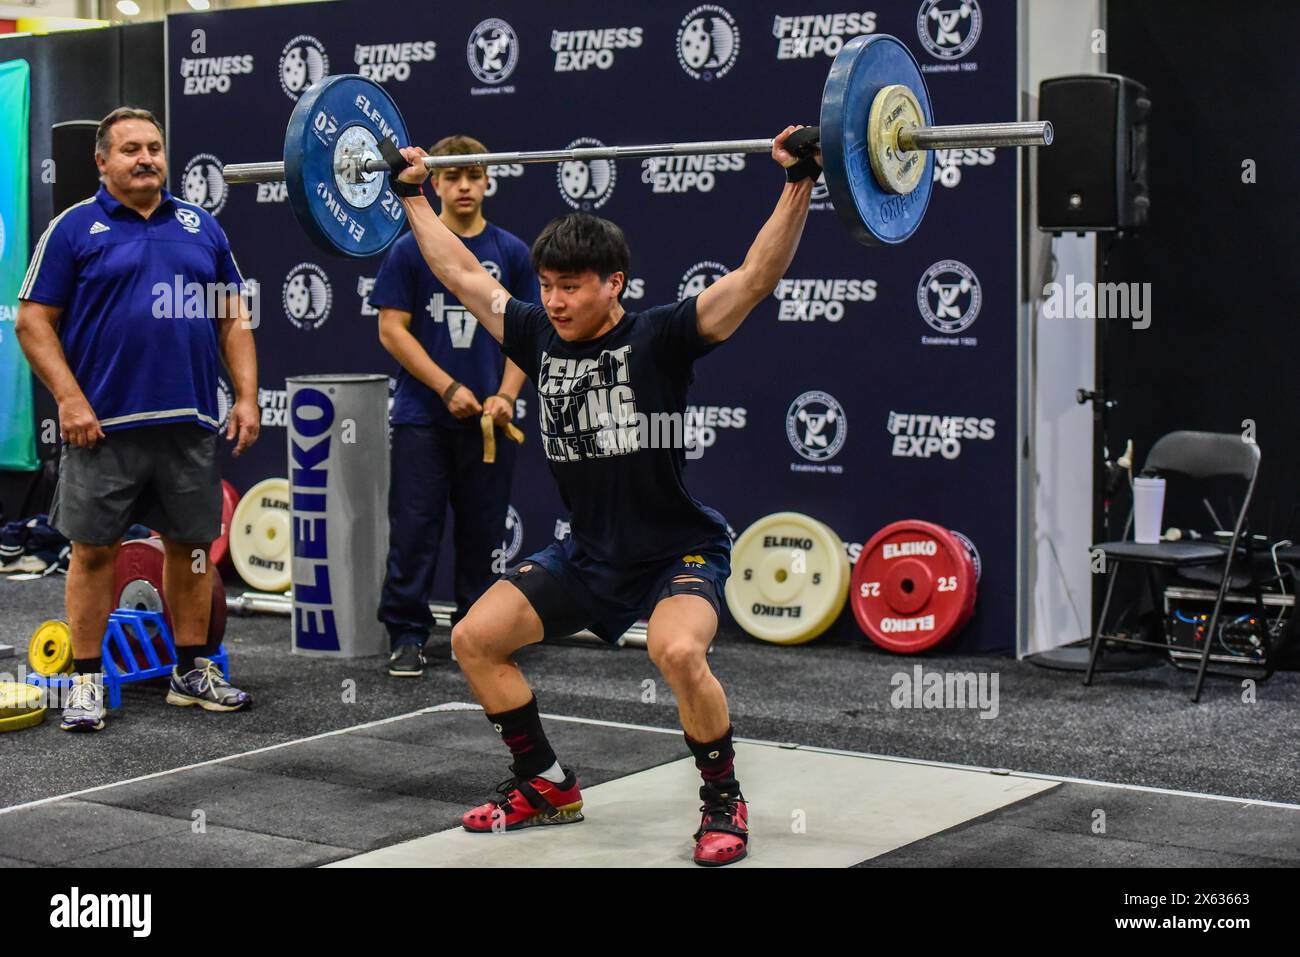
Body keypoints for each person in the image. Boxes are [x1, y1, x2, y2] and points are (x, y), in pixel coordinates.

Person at [380, 126, 820, 865]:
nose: (553, 301)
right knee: (472, 638)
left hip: (674, 546)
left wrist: (800, 180)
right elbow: (459, 272)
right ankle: (546, 782)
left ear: (614, 282)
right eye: (547, 285)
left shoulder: (662, 337)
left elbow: (752, 277)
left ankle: (723, 800)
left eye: (571, 286)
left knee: (675, 648)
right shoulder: (534, 332)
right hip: (588, 552)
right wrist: (412, 196)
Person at [16, 106, 259, 732]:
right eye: (130, 149)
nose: (146, 158)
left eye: (154, 147)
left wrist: (248, 396)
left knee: (193, 553)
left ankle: (190, 672)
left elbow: (233, 317)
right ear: (102, 162)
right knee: (94, 553)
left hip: (189, 424)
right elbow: (32, 321)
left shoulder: (201, 227)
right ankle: (86, 682)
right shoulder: (74, 229)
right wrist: (70, 399)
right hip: (105, 428)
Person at [371, 135, 536, 678]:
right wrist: (445, 387)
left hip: (490, 420)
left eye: (473, 176)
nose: (463, 186)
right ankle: (407, 634)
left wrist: (506, 394)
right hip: (423, 419)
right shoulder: (408, 249)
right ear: (434, 183)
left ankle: (478, 634)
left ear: (488, 181)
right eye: (451, 177)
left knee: (484, 533)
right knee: (415, 531)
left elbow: (529, 333)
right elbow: (392, 330)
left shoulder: (511, 252)